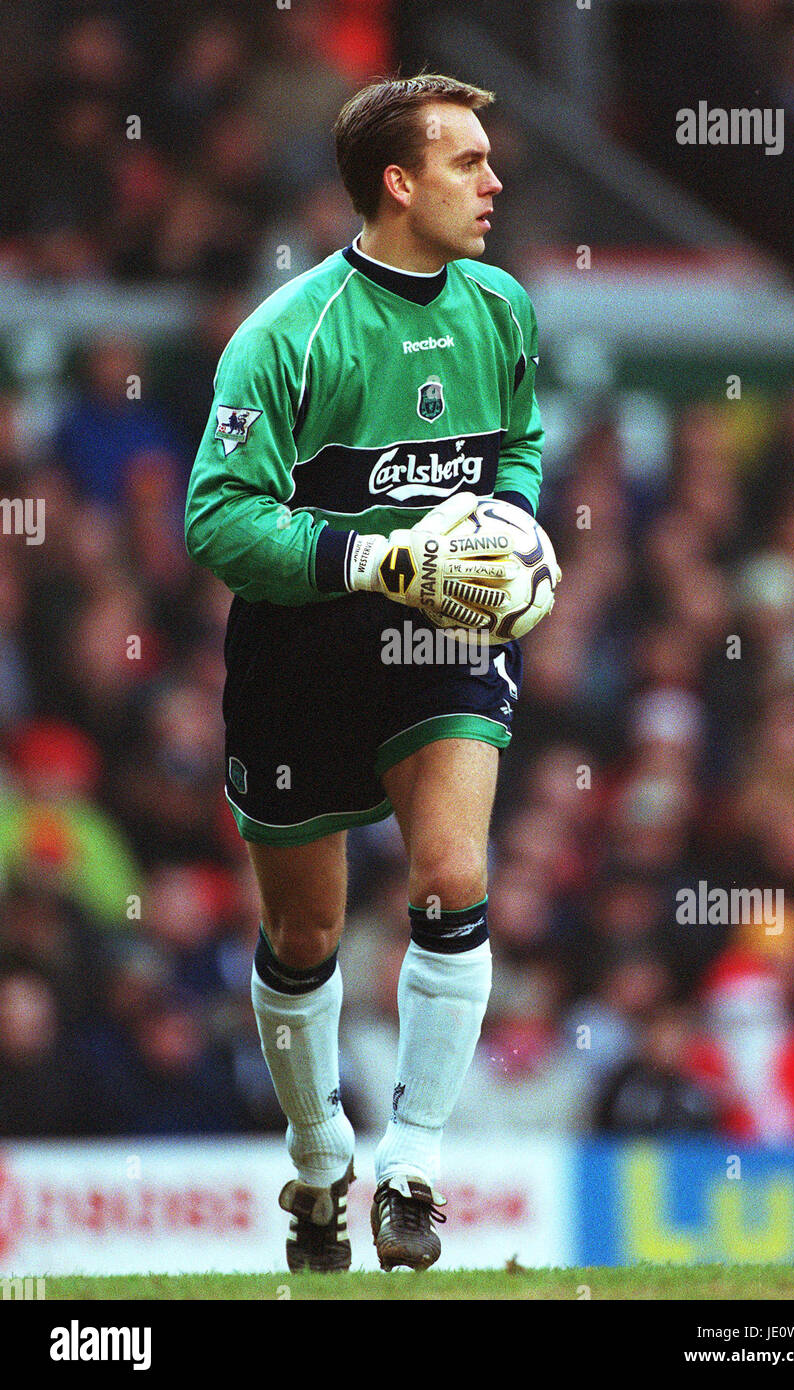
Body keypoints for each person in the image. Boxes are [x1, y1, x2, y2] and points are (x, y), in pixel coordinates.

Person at [185, 73, 549, 1272]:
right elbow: (218, 522)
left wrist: (508, 531)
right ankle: (315, 1161)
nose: (493, 184)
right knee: (306, 929)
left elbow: (520, 443)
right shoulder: (285, 335)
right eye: (467, 163)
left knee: (450, 876)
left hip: (439, 636)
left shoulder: (499, 309)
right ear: (398, 183)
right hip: (302, 652)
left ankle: (414, 1167)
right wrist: (372, 553)